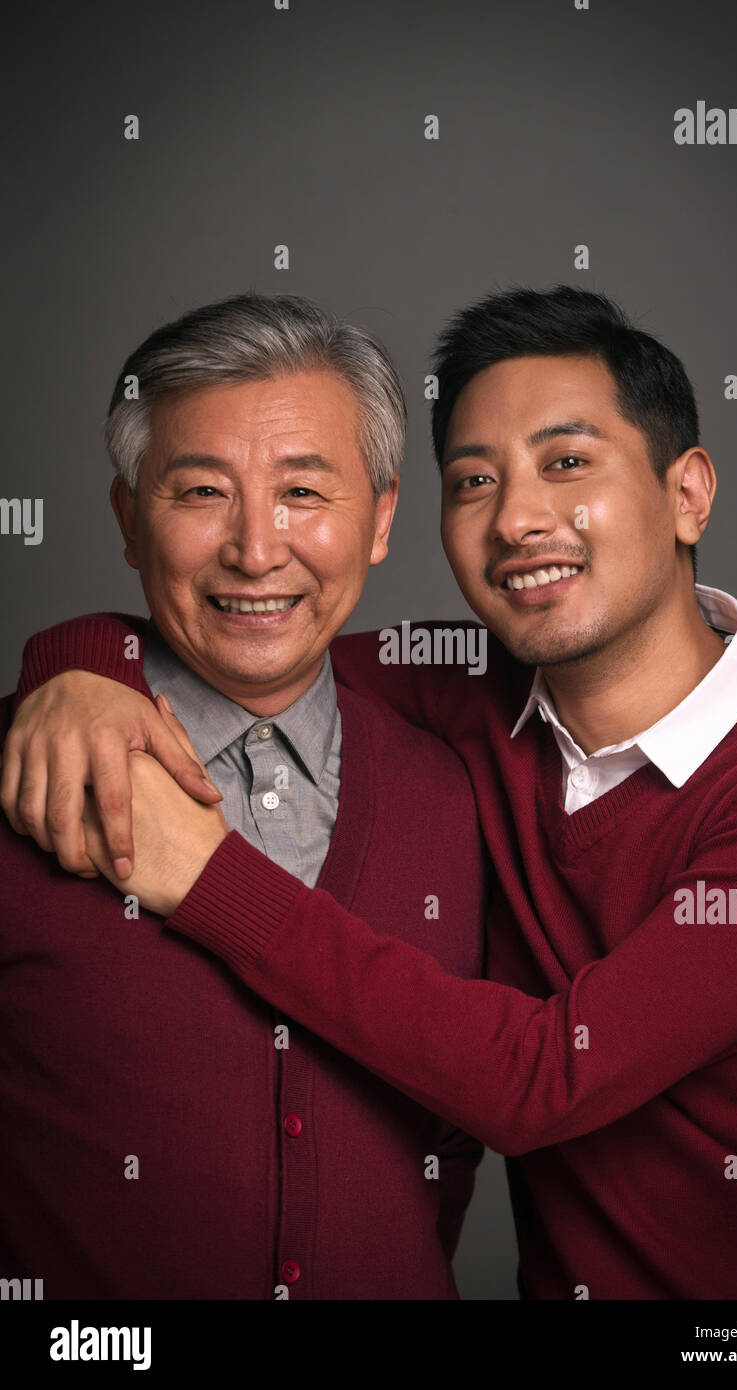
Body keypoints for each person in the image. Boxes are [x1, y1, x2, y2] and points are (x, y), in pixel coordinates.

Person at [5, 286, 737, 1300]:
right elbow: (257, 633)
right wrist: (73, 671)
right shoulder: (466, 697)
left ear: (687, 494)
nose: (516, 518)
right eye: (473, 480)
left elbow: (540, 1077)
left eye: (566, 462)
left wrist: (204, 874)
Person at [0, 292, 487, 1300]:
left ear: (383, 517)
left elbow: (462, 1123)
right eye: (201, 493)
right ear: (129, 521)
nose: (257, 550)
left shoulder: (458, 789)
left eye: (303, 492)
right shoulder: (22, 763)